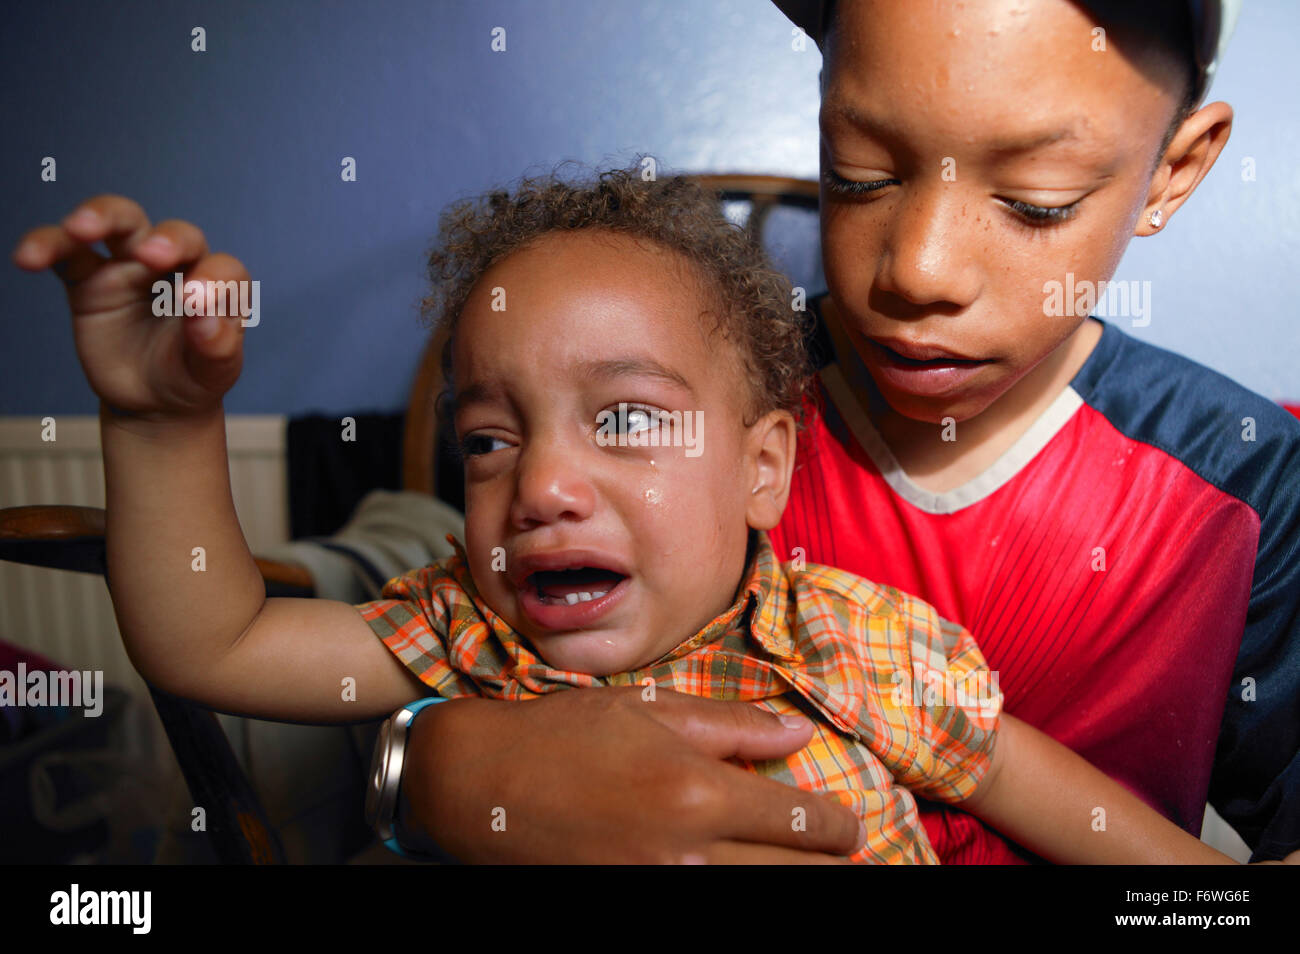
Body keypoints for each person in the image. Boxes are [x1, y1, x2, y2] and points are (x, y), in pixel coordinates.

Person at [12, 164, 1239, 863]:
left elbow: (1079, 816)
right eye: (489, 439)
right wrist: (162, 424)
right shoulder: (465, 635)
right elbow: (207, 642)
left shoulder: (853, 647)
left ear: (764, 470)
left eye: (627, 419)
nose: (541, 487)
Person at [367, 0, 1294, 866]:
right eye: (861, 175)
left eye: (1036, 199)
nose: (920, 271)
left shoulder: (1243, 484)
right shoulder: (700, 404)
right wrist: (429, 770)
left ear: (1174, 170)